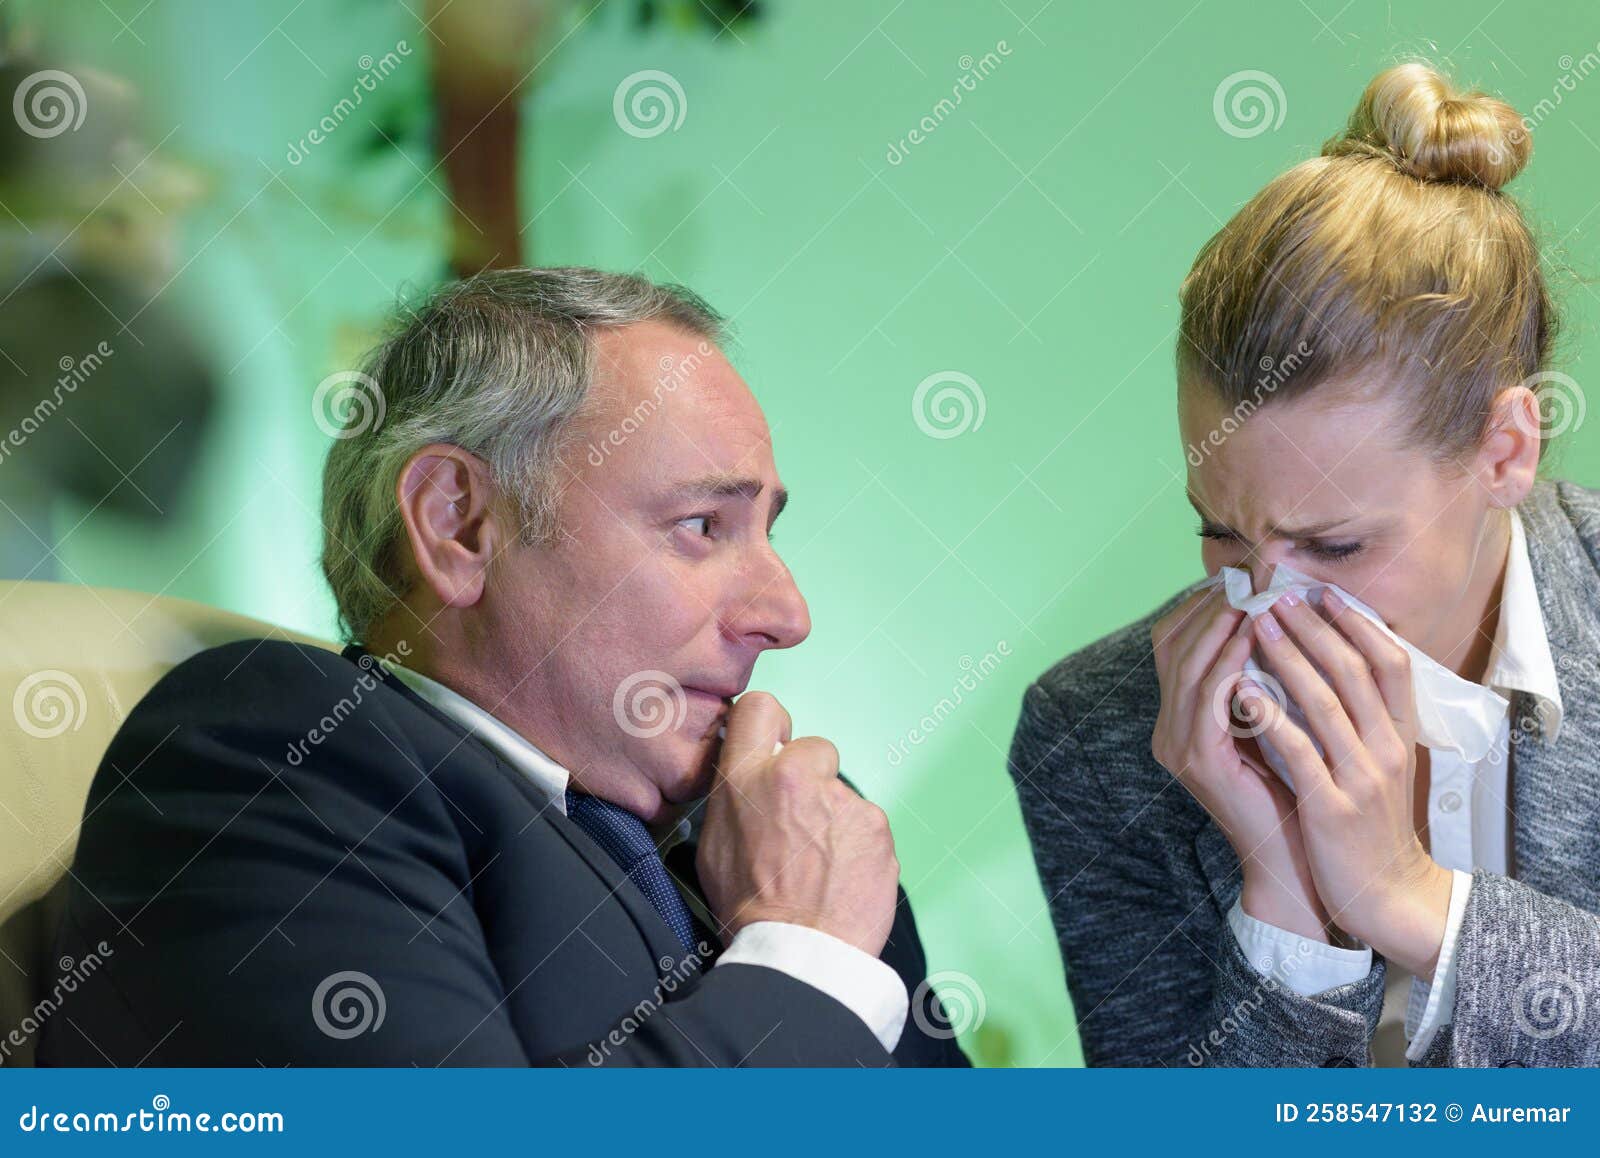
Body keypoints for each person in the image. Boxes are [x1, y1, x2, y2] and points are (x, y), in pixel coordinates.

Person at [37, 267, 967, 1067]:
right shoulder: (275, 753)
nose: (786, 617)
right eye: (701, 527)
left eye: (768, 531)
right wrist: (804, 957)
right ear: (458, 523)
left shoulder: (786, 826)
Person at [1008, 61, 1600, 1067]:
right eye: (1220, 532)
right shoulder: (1097, 739)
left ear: (1505, 450)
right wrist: (1284, 918)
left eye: (1335, 544)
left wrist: (1408, 901)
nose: (1265, 598)